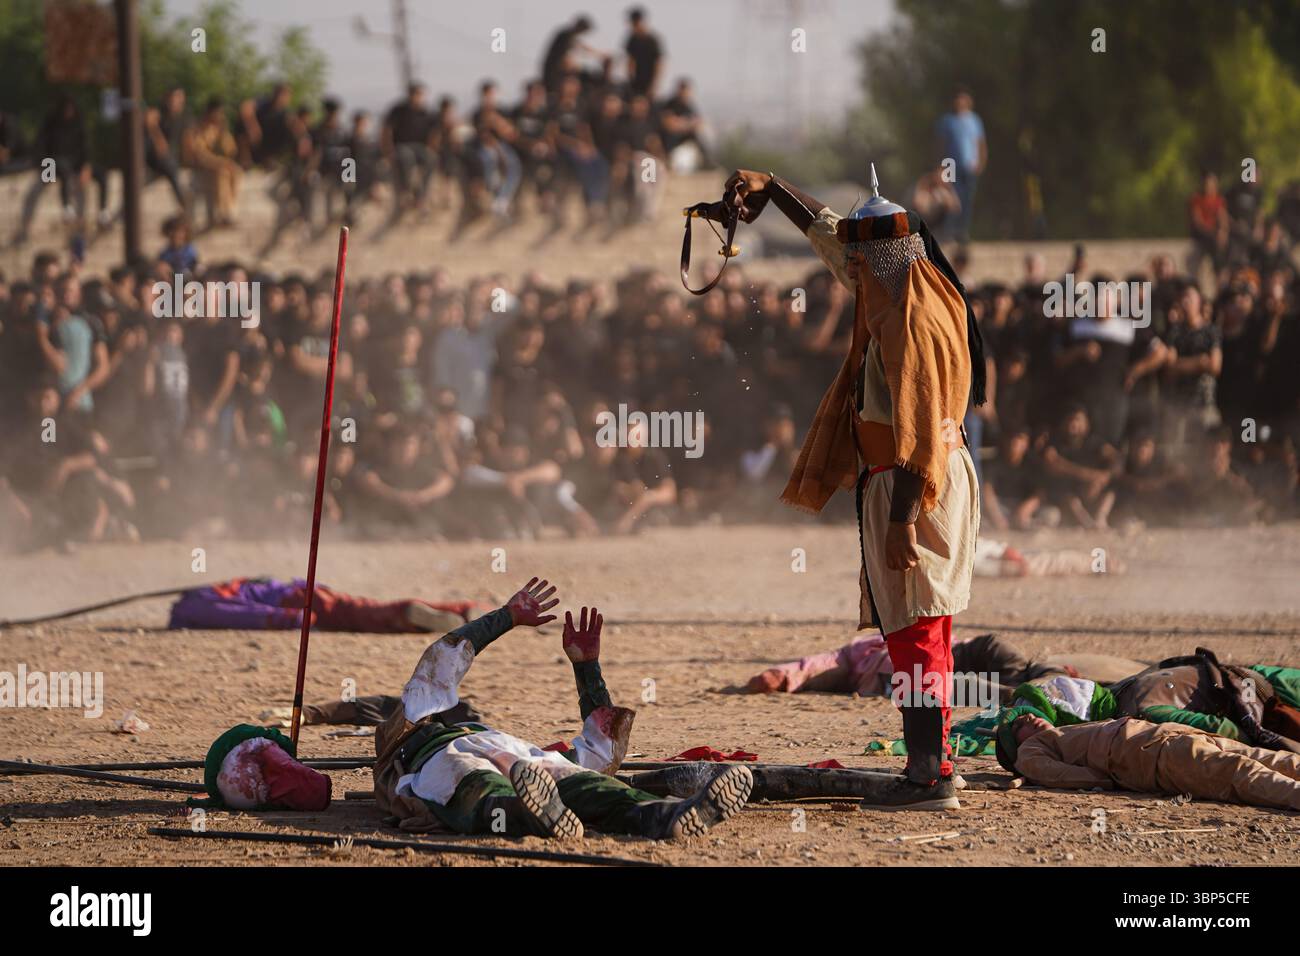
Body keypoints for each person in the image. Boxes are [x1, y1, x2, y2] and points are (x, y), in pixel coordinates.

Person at [723, 166, 984, 810]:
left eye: (857, 261)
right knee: (921, 628)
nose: (849, 272)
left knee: (916, 632)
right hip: (904, 480)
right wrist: (773, 187)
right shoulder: (902, 285)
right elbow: (831, 237)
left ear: (880, 259)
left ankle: (928, 777)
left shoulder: (912, 321)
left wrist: (899, 521)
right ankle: (935, 762)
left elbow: (919, 432)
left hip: (912, 485)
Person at [372, 577, 754, 838]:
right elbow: (442, 663)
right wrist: (505, 618)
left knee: (589, 784)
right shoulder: (413, 734)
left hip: (521, 760)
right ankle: (530, 814)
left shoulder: (507, 744)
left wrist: (587, 666)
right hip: (440, 762)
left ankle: (667, 814)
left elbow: (597, 752)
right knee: (472, 784)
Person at [1003, 714, 1300, 811]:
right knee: (1241, 772)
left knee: (1269, 758)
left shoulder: (1065, 732)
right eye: (1019, 725)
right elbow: (1060, 775)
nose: (1028, 717)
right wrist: (1109, 776)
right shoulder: (1030, 751)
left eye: (1027, 715)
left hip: (1175, 736)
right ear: (1015, 745)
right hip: (1158, 757)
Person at [167, 576, 478, 634]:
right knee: (362, 609)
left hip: (295, 598)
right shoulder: (218, 588)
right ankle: (458, 610)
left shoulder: (195, 604)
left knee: (359, 614)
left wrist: (295, 619)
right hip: (298, 589)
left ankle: (410, 616)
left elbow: (242, 616)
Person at [934, 87, 985, 243]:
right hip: (950, 164)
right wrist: (939, 165)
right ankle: (949, 231)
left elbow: (980, 144)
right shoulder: (947, 121)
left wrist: (981, 162)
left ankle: (962, 231)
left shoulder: (974, 120)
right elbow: (940, 145)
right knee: (951, 198)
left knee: (967, 199)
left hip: (970, 165)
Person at [623, 7, 664, 98]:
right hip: (635, 82)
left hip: (649, 82)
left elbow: (659, 63)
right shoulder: (632, 39)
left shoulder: (652, 40)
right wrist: (629, 79)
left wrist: (654, 85)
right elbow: (630, 60)